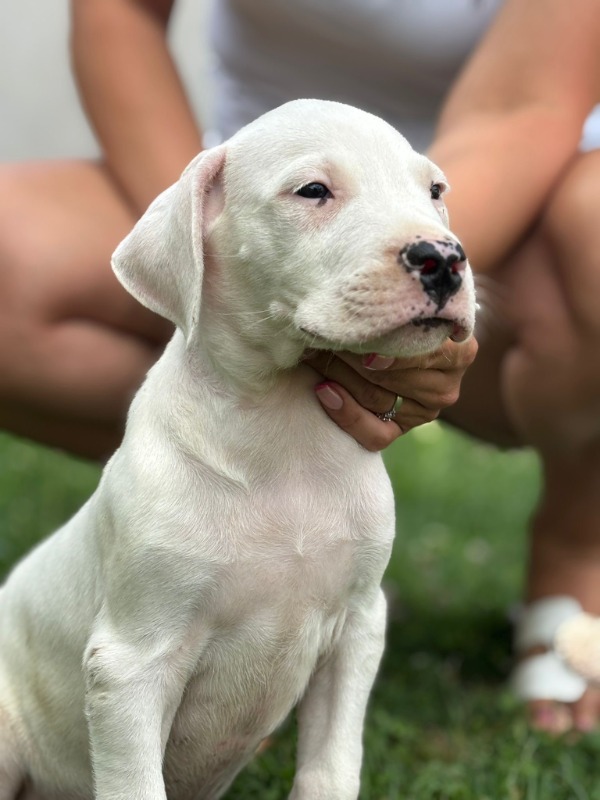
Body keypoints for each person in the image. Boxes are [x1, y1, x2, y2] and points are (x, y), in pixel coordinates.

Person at [1, 0, 599, 733]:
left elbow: (524, 104)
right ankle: (236, 535)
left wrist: (401, 272)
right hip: (271, 198)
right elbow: (118, 12)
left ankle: (578, 547)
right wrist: (220, 250)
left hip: (510, 215)